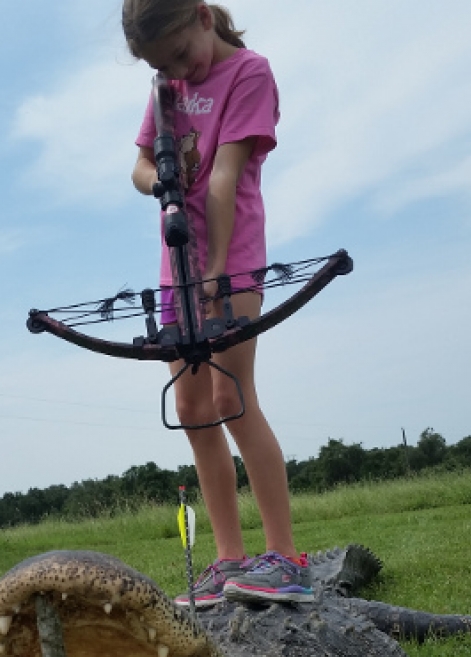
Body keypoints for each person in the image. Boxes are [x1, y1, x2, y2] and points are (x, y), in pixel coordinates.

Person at [123, 0, 314, 607]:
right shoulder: (167, 86)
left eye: (180, 53)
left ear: (204, 17)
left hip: (230, 261)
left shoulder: (249, 73)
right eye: (162, 64)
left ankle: (284, 558)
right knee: (191, 406)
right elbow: (140, 164)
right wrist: (162, 182)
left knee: (231, 397)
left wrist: (211, 271)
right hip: (175, 263)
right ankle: (229, 560)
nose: (179, 70)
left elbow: (226, 176)